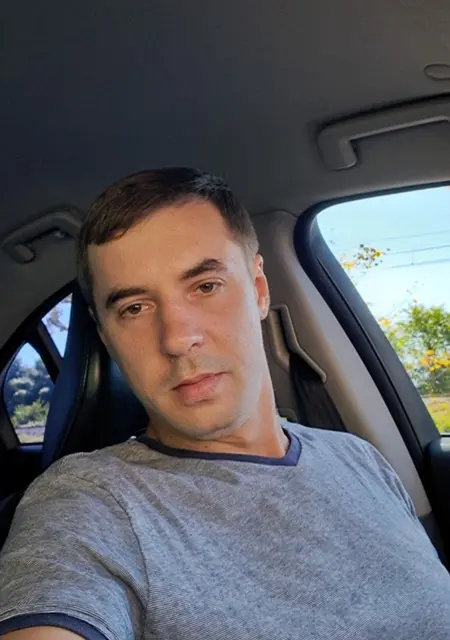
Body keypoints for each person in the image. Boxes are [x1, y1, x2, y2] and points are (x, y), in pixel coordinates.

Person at [0, 168, 449, 640]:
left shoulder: (361, 459)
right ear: (106, 336)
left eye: (206, 286)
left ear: (258, 289)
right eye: (134, 308)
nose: (177, 338)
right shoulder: (90, 502)